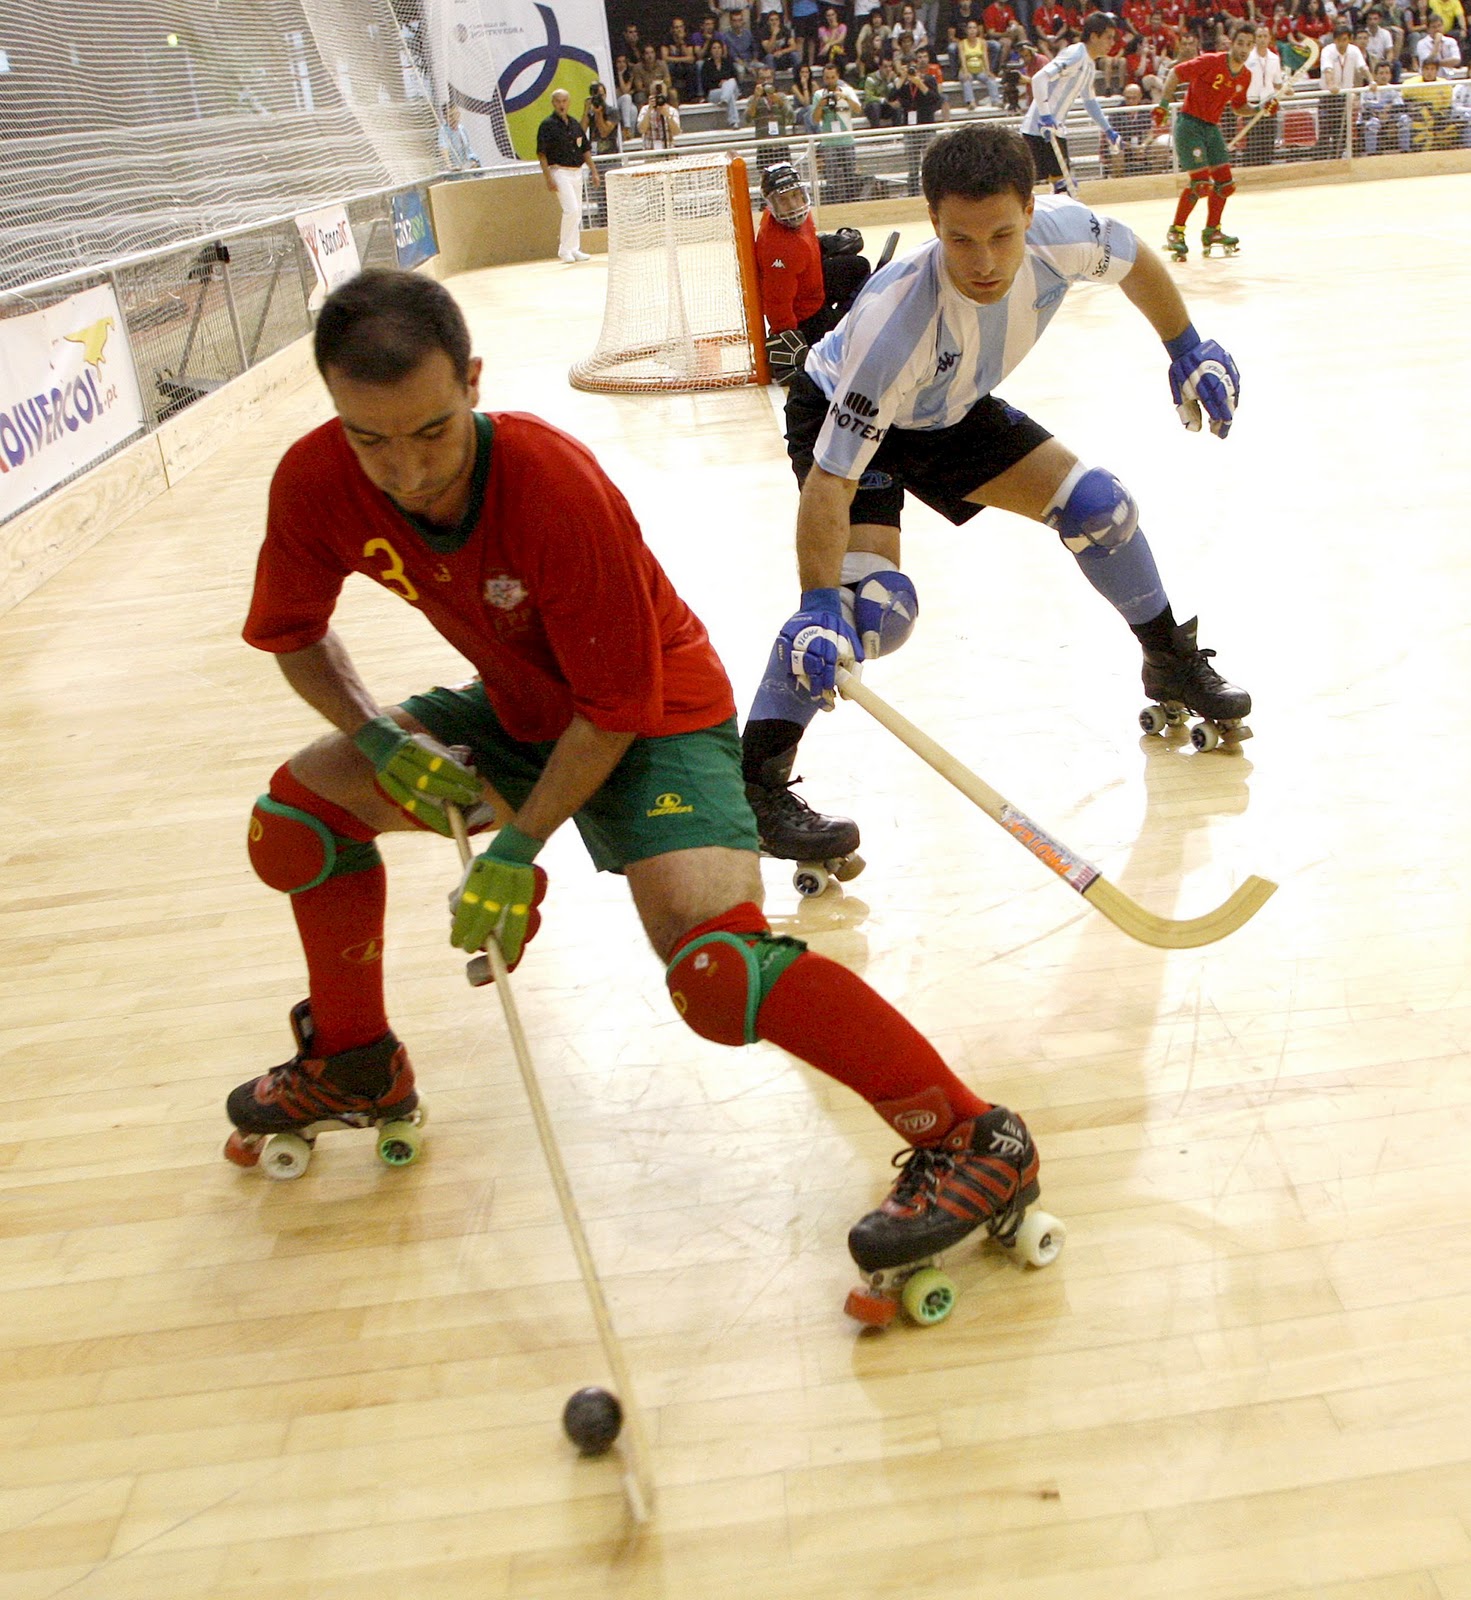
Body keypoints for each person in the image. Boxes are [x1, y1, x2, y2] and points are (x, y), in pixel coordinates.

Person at [232, 267, 1051, 1307]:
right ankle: (353, 1064)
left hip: (655, 713)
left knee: (715, 971)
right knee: (294, 819)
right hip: (525, 710)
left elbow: (614, 709)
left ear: (474, 382)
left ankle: (979, 1138)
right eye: (370, 439)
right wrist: (375, 738)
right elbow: (294, 634)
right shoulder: (315, 477)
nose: (403, 470)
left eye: (430, 432)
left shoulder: (552, 484)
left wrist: (518, 851)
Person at [739, 125, 1248, 873]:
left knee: (1101, 509)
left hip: (946, 409)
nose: (983, 263)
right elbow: (830, 482)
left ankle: (1168, 662)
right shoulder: (896, 328)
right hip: (847, 415)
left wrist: (1186, 347)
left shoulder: (1066, 235)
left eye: (1001, 235)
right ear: (932, 222)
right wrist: (818, 605)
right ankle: (755, 789)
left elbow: (1136, 258)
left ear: (1032, 207)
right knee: (870, 612)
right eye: (960, 240)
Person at [756, 163, 874, 387]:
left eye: (796, 196)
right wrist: (787, 338)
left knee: (858, 266)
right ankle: (837, 321)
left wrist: (828, 243)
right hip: (807, 317)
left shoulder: (801, 218)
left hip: (813, 283)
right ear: (770, 205)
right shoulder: (778, 248)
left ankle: (842, 313)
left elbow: (807, 245)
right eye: (784, 200)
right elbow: (777, 301)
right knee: (852, 336)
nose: (793, 205)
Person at [1153, 20, 1255, 260]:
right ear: (1232, 43)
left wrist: (1261, 108)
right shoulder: (1211, 61)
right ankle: (1176, 232)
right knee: (1201, 184)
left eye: (1248, 45)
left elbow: (1239, 107)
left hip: (1212, 129)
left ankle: (1212, 232)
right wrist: (1164, 104)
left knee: (1226, 184)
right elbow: (1175, 73)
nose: (1244, 49)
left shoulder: (1245, 76)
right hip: (1190, 125)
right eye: (1240, 43)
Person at [1019, 11, 1125, 192]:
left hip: (1055, 130)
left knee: (1064, 186)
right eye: (1108, 38)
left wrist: (1108, 130)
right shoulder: (1075, 54)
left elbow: (1090, 102)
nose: (1112, 43)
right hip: (1038, 130)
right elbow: (1038, 79)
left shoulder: (1090, 65)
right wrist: (1045, 116)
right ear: (1093, 36)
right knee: (1026, 187)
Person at [535, 89, 600, 266]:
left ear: (569, 102)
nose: (562, 104)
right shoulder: (547, 125)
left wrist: (593, 171)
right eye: (558, 101)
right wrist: (548, 177)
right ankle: (564, 249)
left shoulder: (573, 124)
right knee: (570, 209)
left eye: (564, 101)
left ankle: (574, 247)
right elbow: (542, 154)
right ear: (553, 103)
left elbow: (584, 149)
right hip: (559, 171)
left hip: (576, 172)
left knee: (577, 210)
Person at [814, 62, 865, 202]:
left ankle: (851, 201)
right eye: (827, 77)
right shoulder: (819, 94)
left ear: (837, 76)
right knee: (832, 176)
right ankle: (835, 202)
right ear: (823, 78)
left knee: (850, 174)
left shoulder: (847, 91)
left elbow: (858, 109)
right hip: (828, 142)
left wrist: (845, 98)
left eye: (832, 77)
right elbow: (815, 119)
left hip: (847, 140)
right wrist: (820, 105)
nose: (830, 80)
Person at [1241, 21, 1286, 162]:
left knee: (1268, 138)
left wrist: (1286, 88)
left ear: (1269, 38)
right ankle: (1251, 169)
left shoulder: (1274, 58)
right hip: (1252, 102)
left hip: (1269, 102)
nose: (1262, 39)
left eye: (1264, 36)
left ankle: (1267, 168)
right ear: (1255, 38)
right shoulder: (1247, 57)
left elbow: (1277, 82)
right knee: (1253, 140)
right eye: (1259, 36)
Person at [1358, 58, 1413, 148]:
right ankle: (1371, 154)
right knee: (1372, 123)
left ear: (1391, 75)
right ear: (1375, 75)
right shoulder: (1366, 90)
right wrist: (1379, 113)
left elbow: (1399, 106)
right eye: (1381, 73)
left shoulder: (1394, 90)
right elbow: (1365, 108)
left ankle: (1405, 151)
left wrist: (1389, 110)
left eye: (1387, 73)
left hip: (1390, 117)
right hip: (1372, 117)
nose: (1384, 76)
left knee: (1405, 119)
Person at [638, 80, 684, 150]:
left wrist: (668, 116)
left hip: (668, 151)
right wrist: (649, 110)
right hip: (650, 152)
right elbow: (641, 130)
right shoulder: (645, 109)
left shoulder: (672, 111)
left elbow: (676, 132)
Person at [437, 102, 480, 170]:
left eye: (456, 114)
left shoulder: (462, 129)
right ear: (445, 117)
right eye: (451, 116)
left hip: (465, 170)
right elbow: (444, 149)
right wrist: (450, 166)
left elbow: (468, 149)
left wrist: (473, 161)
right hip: (454, 172)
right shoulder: (444, 131)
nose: (454, 118)